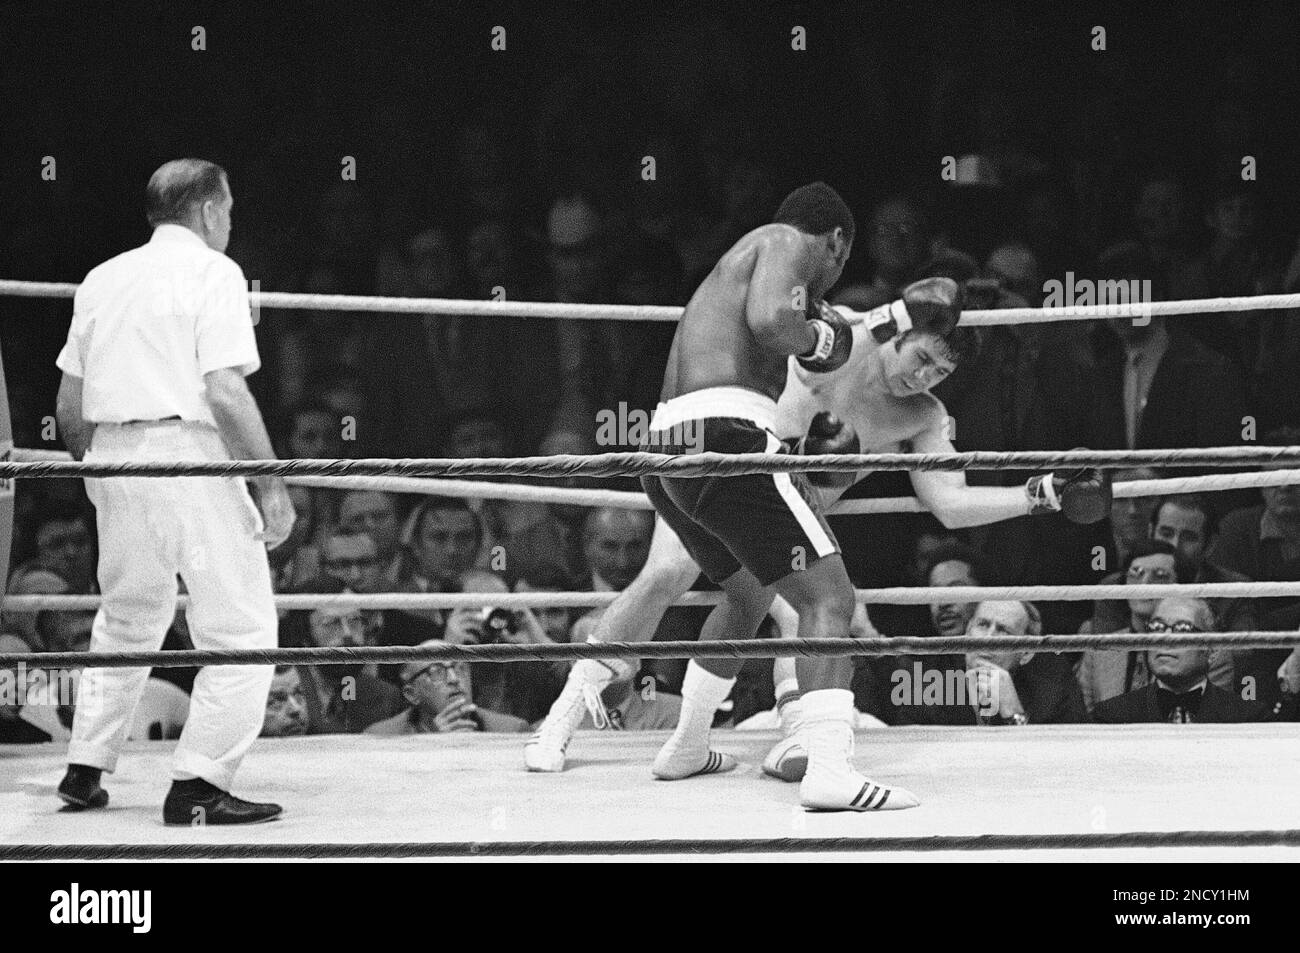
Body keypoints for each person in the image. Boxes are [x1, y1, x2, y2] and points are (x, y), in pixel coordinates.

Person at [528, 183, 1107, 811]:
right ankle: (805, 753)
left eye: (941, 371)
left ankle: (695, 745)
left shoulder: (921, 414)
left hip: (694, 453)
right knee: (724, 581)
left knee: (758, 593)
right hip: (737, 451)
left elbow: (949, 502)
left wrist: (1040, 493)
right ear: (837, 244)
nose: (924, 375)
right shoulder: (818, 296)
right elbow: (790, 334)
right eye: (922, 356)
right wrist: (880, 329)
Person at [53, 159, 295, 826]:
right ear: (209, 210)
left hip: (111, 456)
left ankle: (84, 765)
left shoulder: (103, 278)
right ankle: (199, 782)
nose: (230, 222)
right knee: (242, 623)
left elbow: (69, 407)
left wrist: (106, 469)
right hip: (186, 452)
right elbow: (224, 390)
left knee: (129, 612)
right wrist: (273, 488)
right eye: (229, 209)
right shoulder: (213, 273)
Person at [1093, 598, 1273, 724]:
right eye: (1157, 627)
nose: (1166, 638)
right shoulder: (1112, 717)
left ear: (1212, 649)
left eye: (1182, 629)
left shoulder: (1248, 719)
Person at [364, 642, 529, 735]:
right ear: (412, 694)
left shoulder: (511, 730)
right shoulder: (381, 736)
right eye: (437, 672)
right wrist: (434, 745)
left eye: (459, 668)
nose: (454, 679)